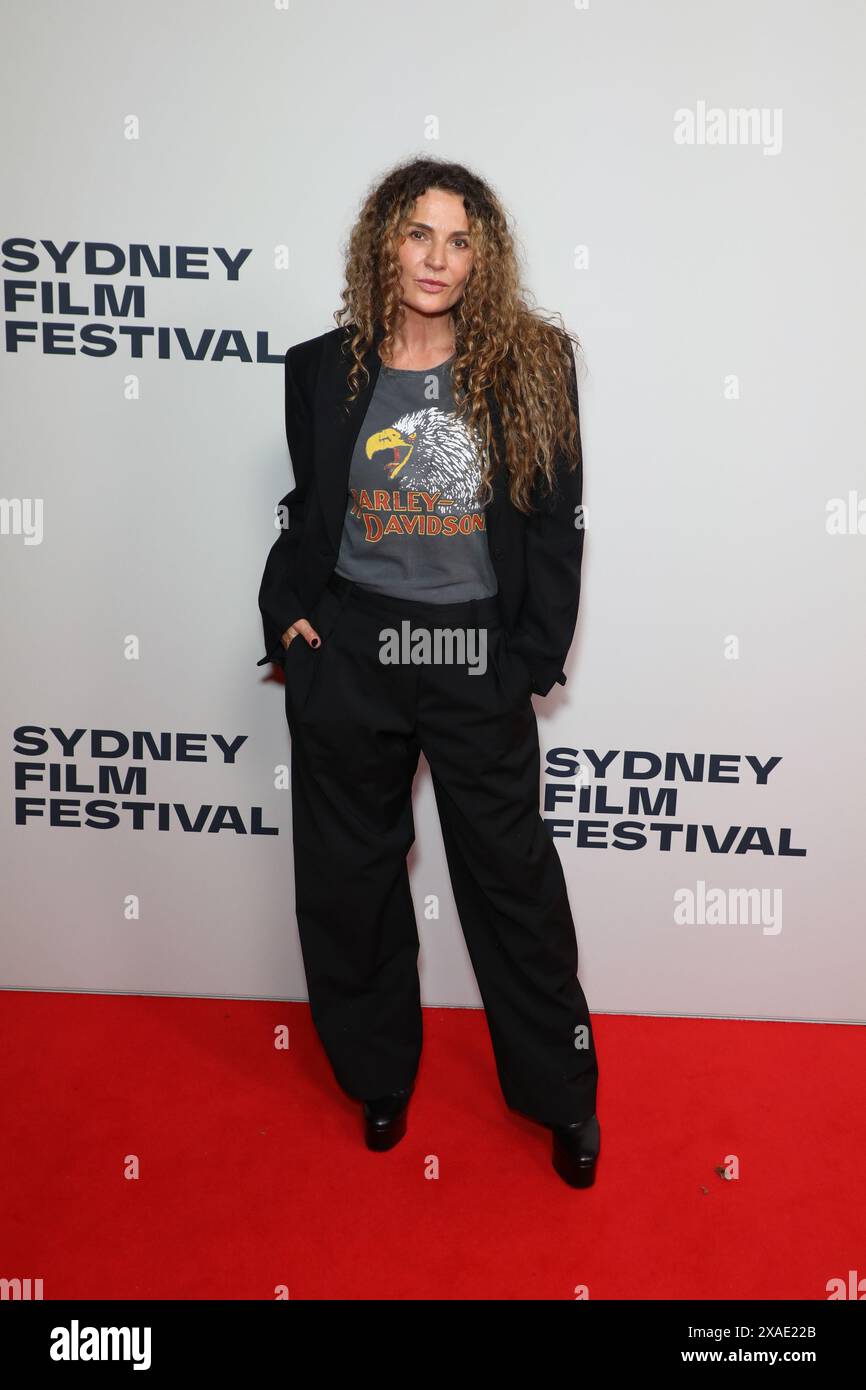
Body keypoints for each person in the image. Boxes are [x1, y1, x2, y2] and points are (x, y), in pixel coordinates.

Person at [257, 156, 600, 1188]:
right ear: (384, 244)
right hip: (353, 649)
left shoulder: (531, 366)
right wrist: (291, 613)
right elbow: (309, 510)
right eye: (418, 234)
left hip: (470, 654)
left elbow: (556, 524)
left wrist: (525, 661)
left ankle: (562, 1097)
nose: (437, 259)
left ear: (481, 257)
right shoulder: (321, 368)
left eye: (459, 240)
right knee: (349, 878)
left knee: (512, 883)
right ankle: (376, 1076)